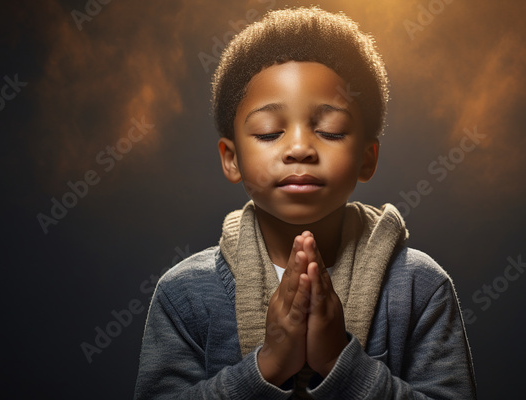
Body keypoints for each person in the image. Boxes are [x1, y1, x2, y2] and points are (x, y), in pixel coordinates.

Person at [134, 6, 476, 399]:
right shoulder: (184, 295)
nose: (299, 148)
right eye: (268, 132)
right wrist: (269, 365)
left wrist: (339, 362)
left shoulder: (420, 287)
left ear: (367, 158)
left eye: (329, 131)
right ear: (231, 158)